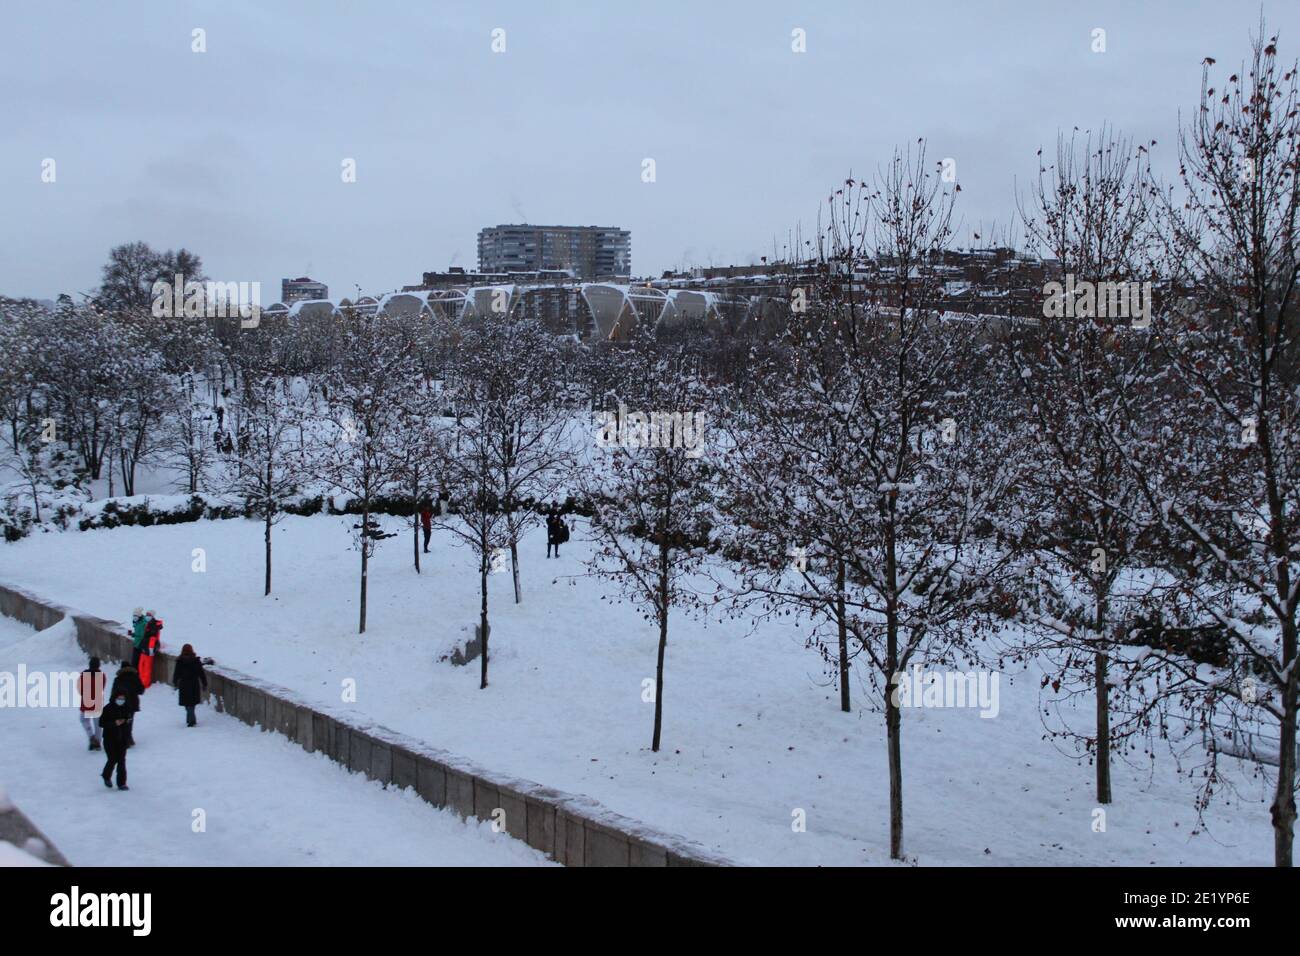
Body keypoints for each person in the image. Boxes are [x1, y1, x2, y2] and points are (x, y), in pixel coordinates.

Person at [100, 693, 131, 790]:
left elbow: (129, 721)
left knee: (122, 760)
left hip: (122, 738)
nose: (121, 700)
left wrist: (126, 722)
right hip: (109, 739)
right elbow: (101, 723)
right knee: (112, 759)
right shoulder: (108, 708)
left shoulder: (126, 708)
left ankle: (122, 783)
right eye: (119, 698)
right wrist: (114, 723)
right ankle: (106, 775)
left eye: (123, 699)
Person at [110, 661, 144, 748]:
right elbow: (141, 690)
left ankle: (125, 739)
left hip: (121, 703)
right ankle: (128, 738)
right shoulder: (135, 677)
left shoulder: (118, 679)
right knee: (129, 720)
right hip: (133, 703)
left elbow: (113, 693)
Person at [173, 644, 208, 727]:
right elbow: (201, 673)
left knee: (187, 704)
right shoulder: (196, 661)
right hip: (194, 684)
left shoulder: (180, 661)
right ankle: (191, 719)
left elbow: (176, 673)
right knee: (192, 703)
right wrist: (204, 683)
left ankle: (191, 720)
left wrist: (175, 682)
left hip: (184, 684)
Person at [77, 657, 105, 751]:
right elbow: (102, 687)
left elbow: (80, 688)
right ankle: (97, 742)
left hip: (86, 702)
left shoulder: (83, 675)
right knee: (98, 725)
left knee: (84, 720)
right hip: (97, 703)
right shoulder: (102, 675)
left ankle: (91, 736)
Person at [138, 613, 163, 690]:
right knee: (141, 666)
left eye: (148, 616)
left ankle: (145, 683)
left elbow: (153, 638)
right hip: (145, 648)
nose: (147, 617)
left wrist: (151, 649)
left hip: (148, 650)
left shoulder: (154, 626)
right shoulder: (150, 624)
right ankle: (141, 681)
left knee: (146, 668)